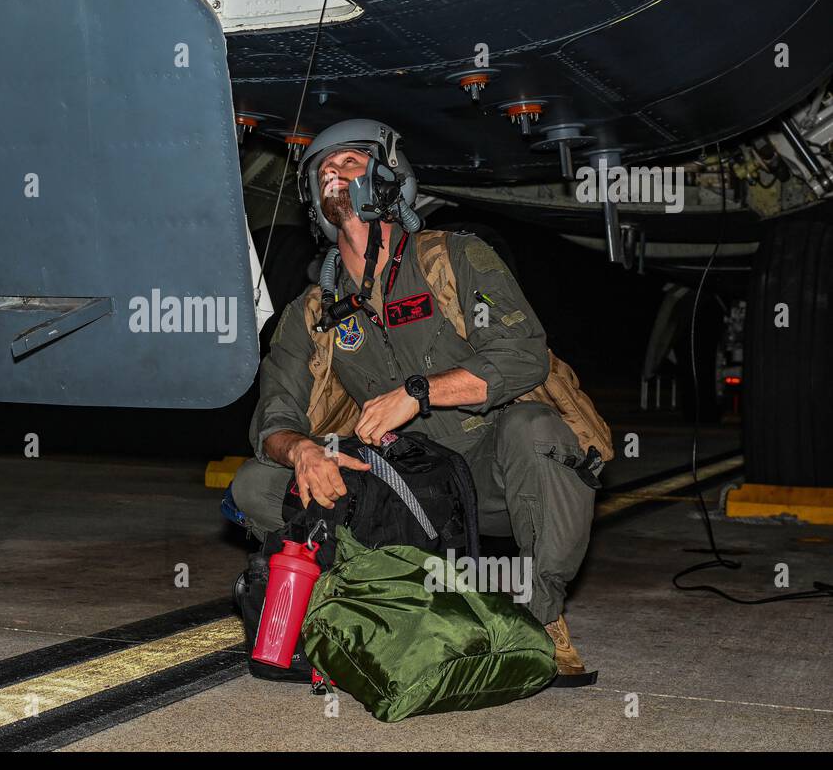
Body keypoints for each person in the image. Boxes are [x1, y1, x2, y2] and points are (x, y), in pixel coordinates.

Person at [232, 118, 601, 680]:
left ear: (389, 175)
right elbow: (275, 416)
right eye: (322, 170)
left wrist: (419, 393)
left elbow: (522, 351)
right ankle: (359, 603)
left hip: (491, 477)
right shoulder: (313, 310)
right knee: (257, 483)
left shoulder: (452, 258)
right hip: (398, 486)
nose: (333, 172)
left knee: (538, 429)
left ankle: (539, 618)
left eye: (350, 162)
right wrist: (302, 452)